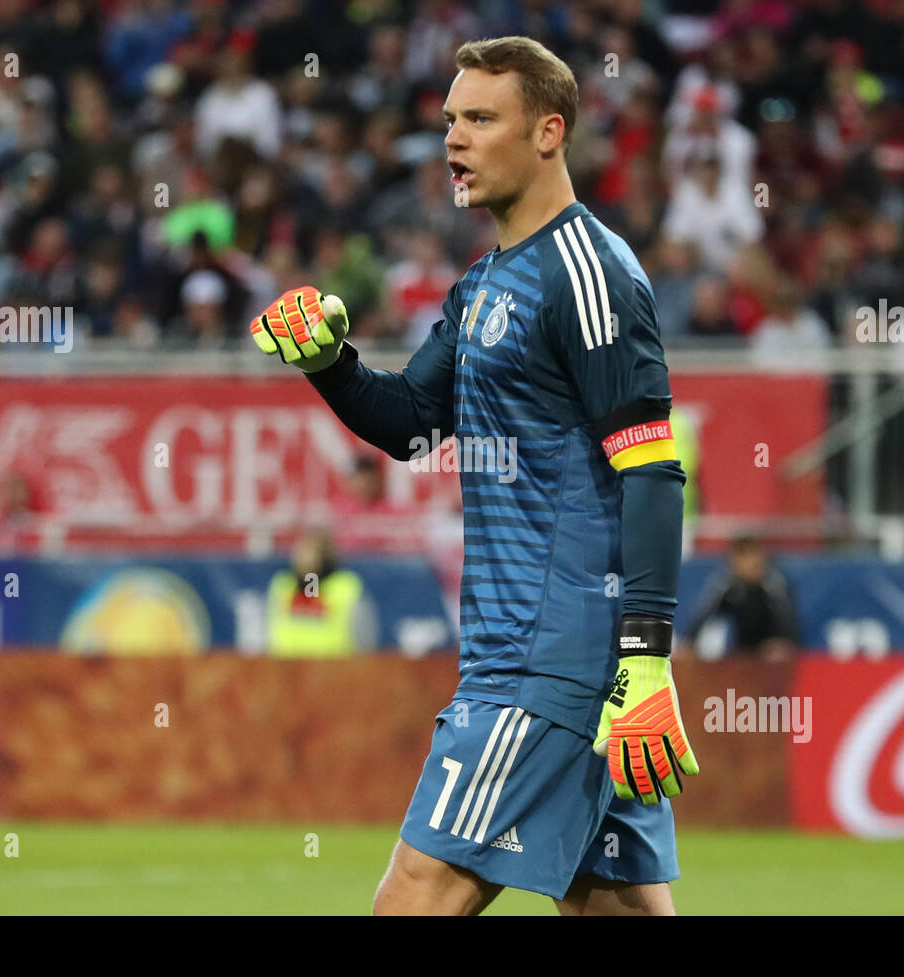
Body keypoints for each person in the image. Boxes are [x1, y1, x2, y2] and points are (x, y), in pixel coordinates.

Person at [249, 37, 696, 916]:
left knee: (412, 900)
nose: (454, 139)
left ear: (548, 133)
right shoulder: (485, 284)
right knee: (614, 907)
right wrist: (330, 363)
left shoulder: (588, 272)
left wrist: (646, 659)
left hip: (544, 664)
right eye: (450, 119)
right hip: (544, 660)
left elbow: (651, 467)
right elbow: (414, 424)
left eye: (481, 119)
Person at [682, 535, 798, 661]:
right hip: (741, 651)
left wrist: (784, 642)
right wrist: (689, 640)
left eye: (752, 557)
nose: (748, 564)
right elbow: (703, 614)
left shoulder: (774, 583)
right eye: (742, 558)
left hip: (772, 651)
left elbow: (788, 619)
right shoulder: (726, 584)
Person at [265, 529, 375, 658]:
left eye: (309, 552)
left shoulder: (345, 586)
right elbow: (268, 627)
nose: (302, 558)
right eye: (300, 552)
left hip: (332, 665)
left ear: (324, 555)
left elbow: (364, 634)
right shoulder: (283, 585)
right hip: (287, 666)